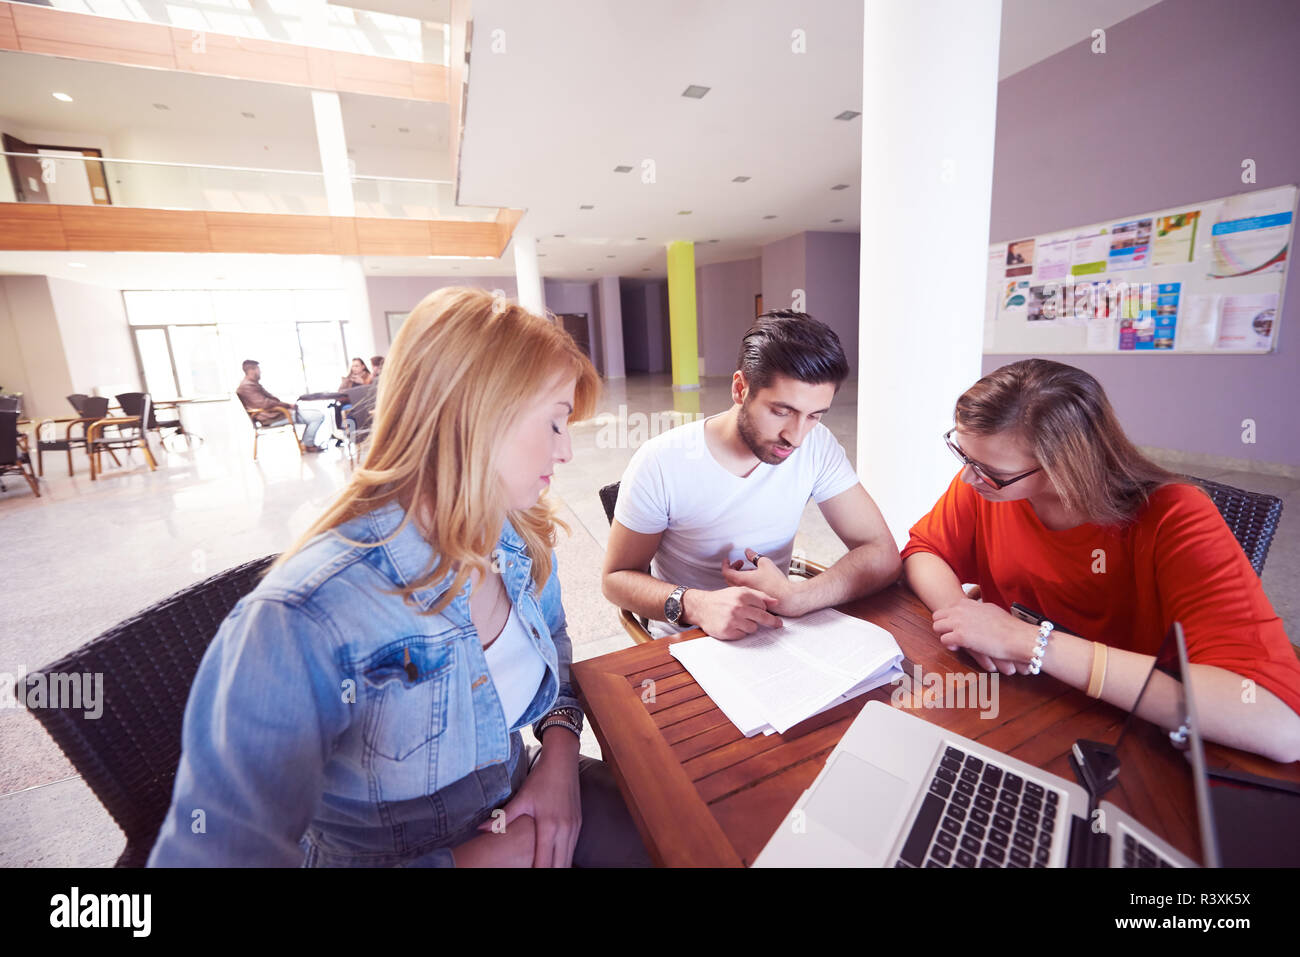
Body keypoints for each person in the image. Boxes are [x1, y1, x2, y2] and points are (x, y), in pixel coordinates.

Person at [150, 288, 649, 867]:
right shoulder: (308, 615)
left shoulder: (517, 533)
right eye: (556, 423)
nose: (565, 453)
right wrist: (468, 864)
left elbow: (556, 647)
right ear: (474, 414)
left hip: (526, 801)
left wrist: (559, 757)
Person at [901, 358, 1300, 764]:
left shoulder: (1175, 516)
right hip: (1022, 707)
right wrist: (961, 614)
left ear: (1065, 465)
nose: (969, 478)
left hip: (1129, 738)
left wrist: (1032, 644)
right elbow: (924, 550)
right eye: (963, 456)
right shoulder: (990, 486)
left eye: (989, 470)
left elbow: (1280, 724)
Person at [602, 311, 900, 640]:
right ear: (740, 388)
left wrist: (798, 597)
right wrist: (696, 605)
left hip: (774, 630)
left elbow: (881, 553)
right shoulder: (661, 461)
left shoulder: (817, 445)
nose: (797, 437)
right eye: (781, 411)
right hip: (687, 641)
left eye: (814, 415)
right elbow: (616, 578)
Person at [235, 359, 328, 452]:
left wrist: (286, 406)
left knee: (314, 414)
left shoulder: (252, 384)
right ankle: (307, 444)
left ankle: (306, 443)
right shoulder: (247, 386)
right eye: (258, 369)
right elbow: (265, 403)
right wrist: (287, 405)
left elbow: (270, 400)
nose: (260, 372)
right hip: (271, 417)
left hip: (276, 414)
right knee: (318, 416)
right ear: (251, 370)